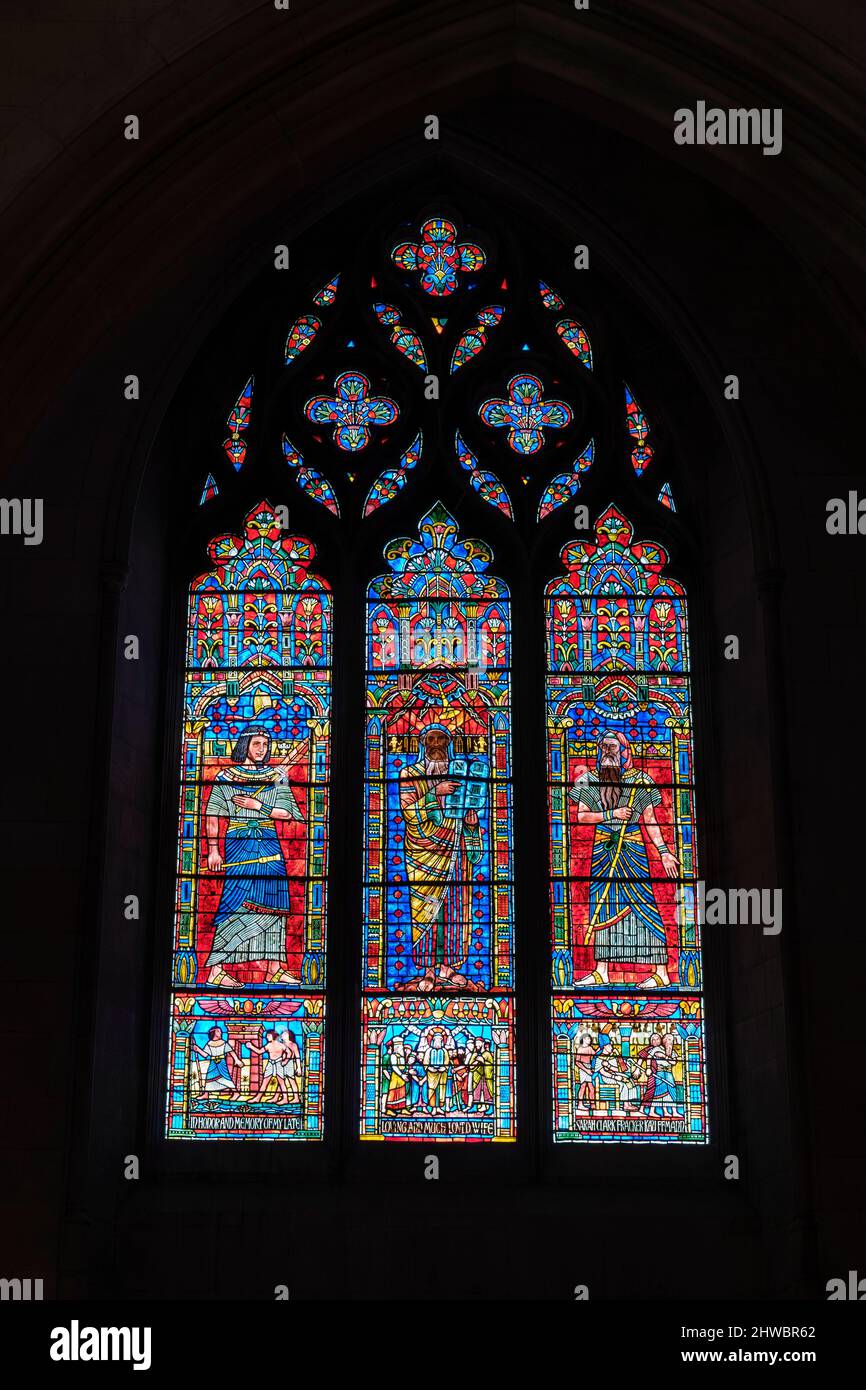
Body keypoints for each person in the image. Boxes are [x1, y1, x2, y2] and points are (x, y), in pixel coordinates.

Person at [570, 730, 678, 987]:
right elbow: (581, 816)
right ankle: (602, 971)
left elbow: (649, 819)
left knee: (643, 906)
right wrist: (612, 814)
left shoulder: (640, 781)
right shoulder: (588, 780)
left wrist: (664, 852)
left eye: (613, 748)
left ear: (624, 752)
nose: (607, 752)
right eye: (604, 747)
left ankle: (661, 973)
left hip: (632, 851)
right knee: (604, 905)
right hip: (603, 851)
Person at [203, 726, 304, 986]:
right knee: (234, 903)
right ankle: (216, 970)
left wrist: (258, 805)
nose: (262, 749)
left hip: (269, 844)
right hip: (239, 843)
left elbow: (287, 813)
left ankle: (274, 968)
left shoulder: (277, 775)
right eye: (256, 743)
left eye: (265, 744)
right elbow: (213, 814)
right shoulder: (226, 777)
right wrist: (213, 849)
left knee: (277, 905)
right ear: (245, 745)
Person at [398, 726, 483, 992]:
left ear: (449, 743)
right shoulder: (410, 774)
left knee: (457, 907)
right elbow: (408, 809)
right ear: (423, 743)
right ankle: (428, 970)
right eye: (430, 740)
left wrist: (471, 826)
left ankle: (449, 968)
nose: (436, 744)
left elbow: (471, 804)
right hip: (423, 852)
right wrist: (436, 792)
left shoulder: (461, 773)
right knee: (426, 910)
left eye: (441, 740)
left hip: (456, 847)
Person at [192, 1025, 241, 1101]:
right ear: (213, 1033)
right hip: (213, 1063)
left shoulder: (224, 1043)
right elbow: (205, 1055)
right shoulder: (209, 1043)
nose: (220, 1033)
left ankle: (236, 1092)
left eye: (220, 1031)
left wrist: (237, 1060)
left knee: (226, 1077)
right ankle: (206, 1094)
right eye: (218, 1031)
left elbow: (231, 1052)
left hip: (221, 1063)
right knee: (209, 1078)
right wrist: (198, 1049)